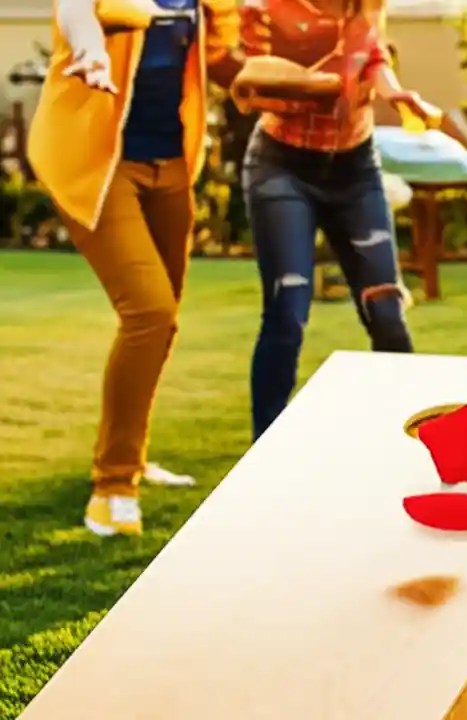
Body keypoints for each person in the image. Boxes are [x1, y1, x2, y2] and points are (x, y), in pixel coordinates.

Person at [27, 0, 242, 536]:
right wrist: (93, 53)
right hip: (101, 163)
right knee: (150, 312)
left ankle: (133, 452)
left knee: (159, 322)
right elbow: (76, 16)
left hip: (170, 167)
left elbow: (223, 61)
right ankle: (112, 485)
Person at [236, 0, 467, 439]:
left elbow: (373, 54)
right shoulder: (267, 9)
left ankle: (413, 441)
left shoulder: (368, 4)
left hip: (355, 169)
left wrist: (394, 92)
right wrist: (313, 84)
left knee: (387, 311)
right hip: (283, 167)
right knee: (287, 312)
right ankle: (264, 446)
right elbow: (251, 82)